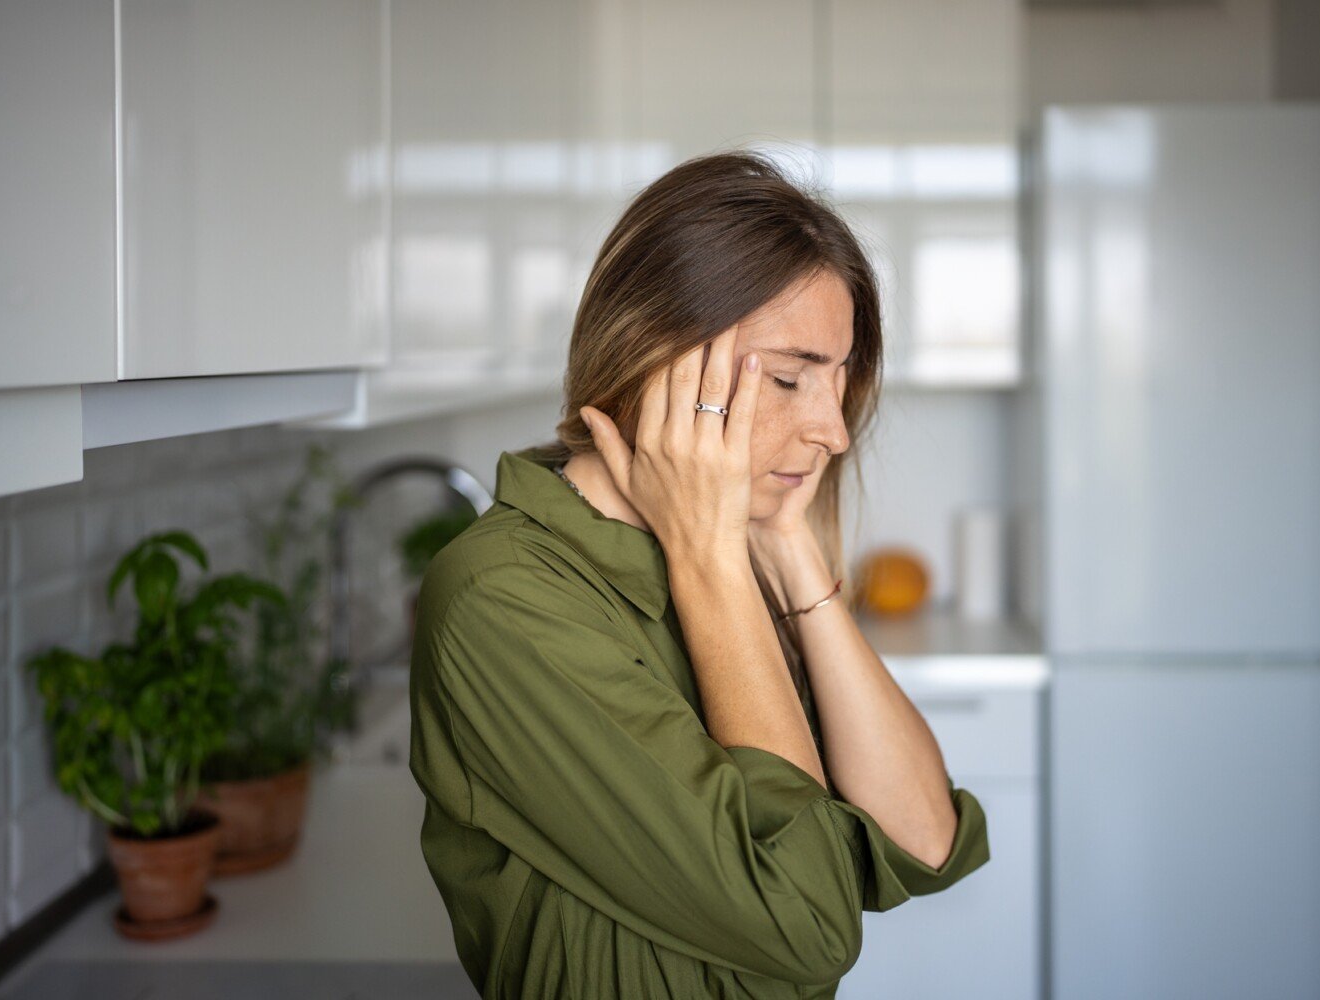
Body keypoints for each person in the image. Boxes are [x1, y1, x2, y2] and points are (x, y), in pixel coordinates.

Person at [407, 149, 990, 999]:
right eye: (789, 378)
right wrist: (710, 557)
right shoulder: (503, 598)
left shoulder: (732, 547)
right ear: (656, 361)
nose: (833, 432)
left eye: (838, 382)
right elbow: (809, 921)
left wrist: (787, 548)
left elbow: (925, 839)